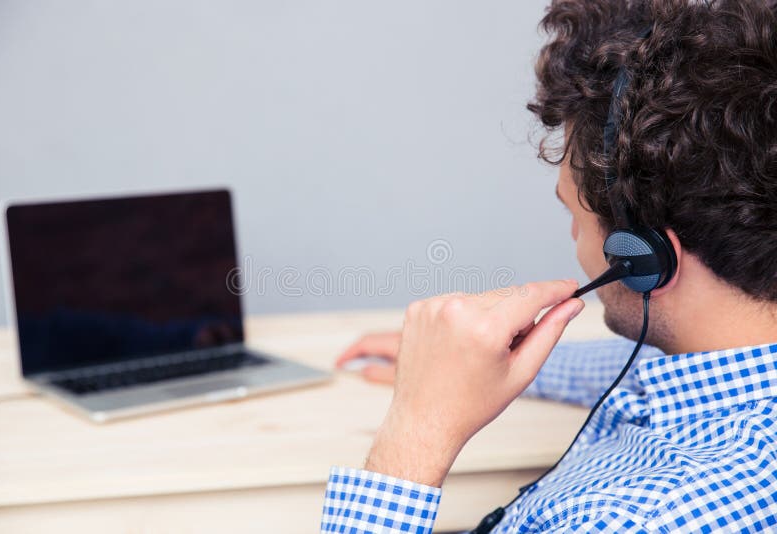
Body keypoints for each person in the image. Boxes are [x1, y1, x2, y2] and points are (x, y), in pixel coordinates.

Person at [321, 0, 777, 531]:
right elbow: (639, 372)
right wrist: (467, 366)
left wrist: (416, 430)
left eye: (574, 214)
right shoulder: (737, 372)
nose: (573, 239)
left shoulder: (632, 519)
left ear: (645, 259)